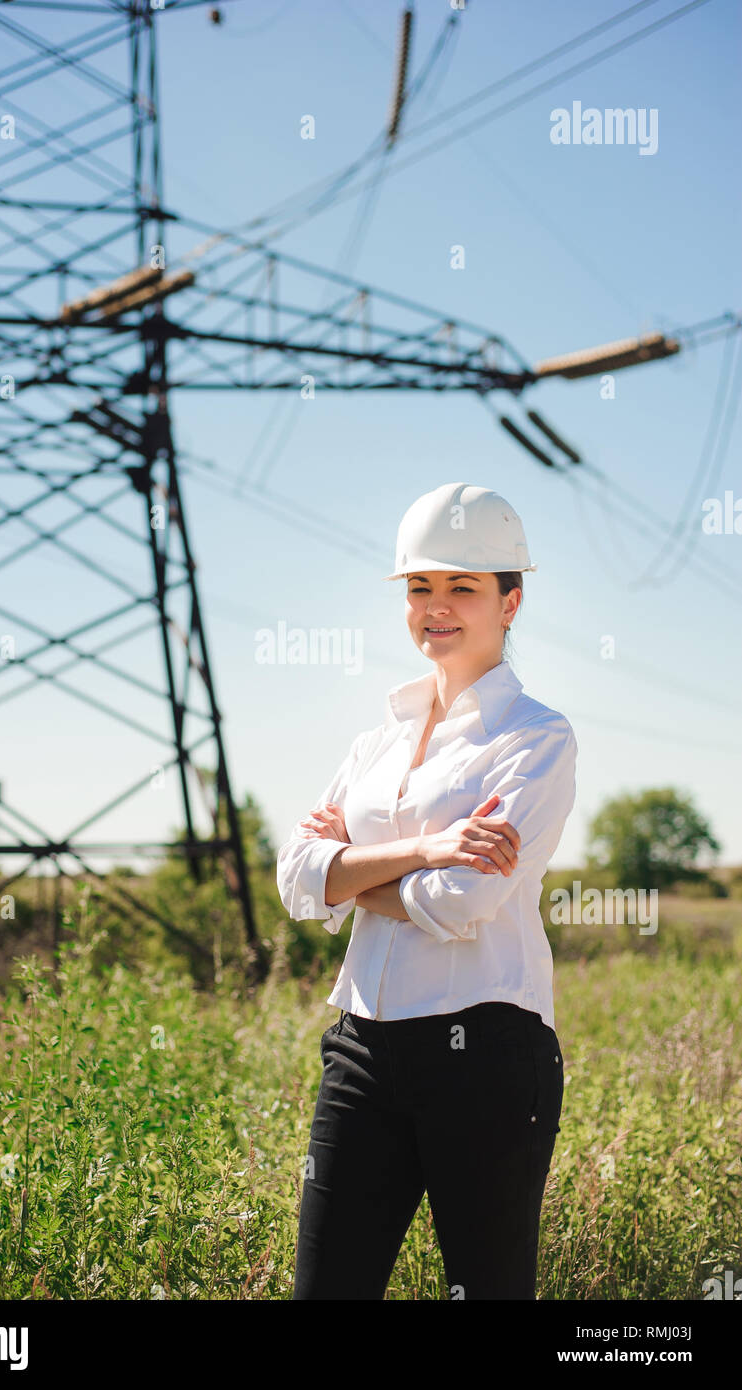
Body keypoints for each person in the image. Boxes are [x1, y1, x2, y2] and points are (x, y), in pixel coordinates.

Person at [276, 481, 577, 1301]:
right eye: (419, 587)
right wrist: (426, 847)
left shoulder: (535, 738)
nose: (435, 607)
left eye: (462, 587)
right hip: (360, 1047)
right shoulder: (374, 741)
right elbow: (294, 880)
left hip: (486, 1050)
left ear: (510, 601)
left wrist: (352, 869)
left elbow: (458, 904)